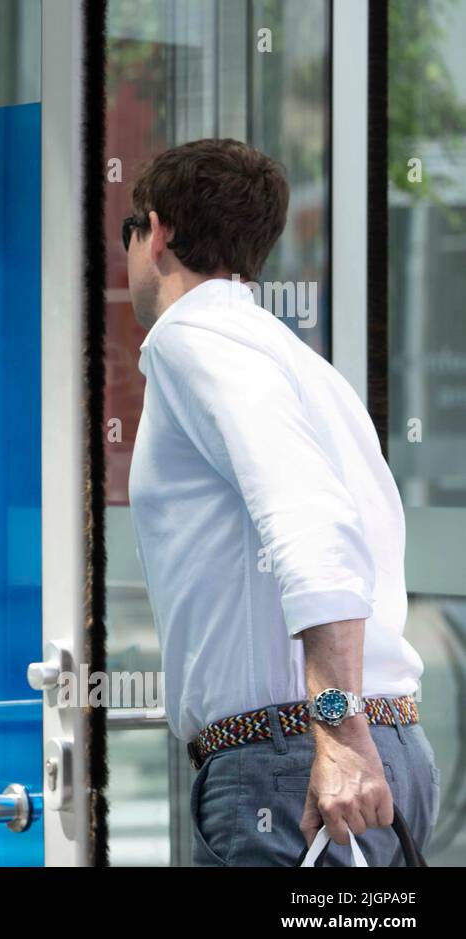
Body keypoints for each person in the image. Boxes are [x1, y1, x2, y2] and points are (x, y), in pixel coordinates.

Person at [124, 138, 439, 865]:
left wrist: (338, 730)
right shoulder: (303, 365)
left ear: (160, 230)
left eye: (128, 235)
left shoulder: (192, 338)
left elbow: (313, 525)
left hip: (296, 766)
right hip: (369, 752)